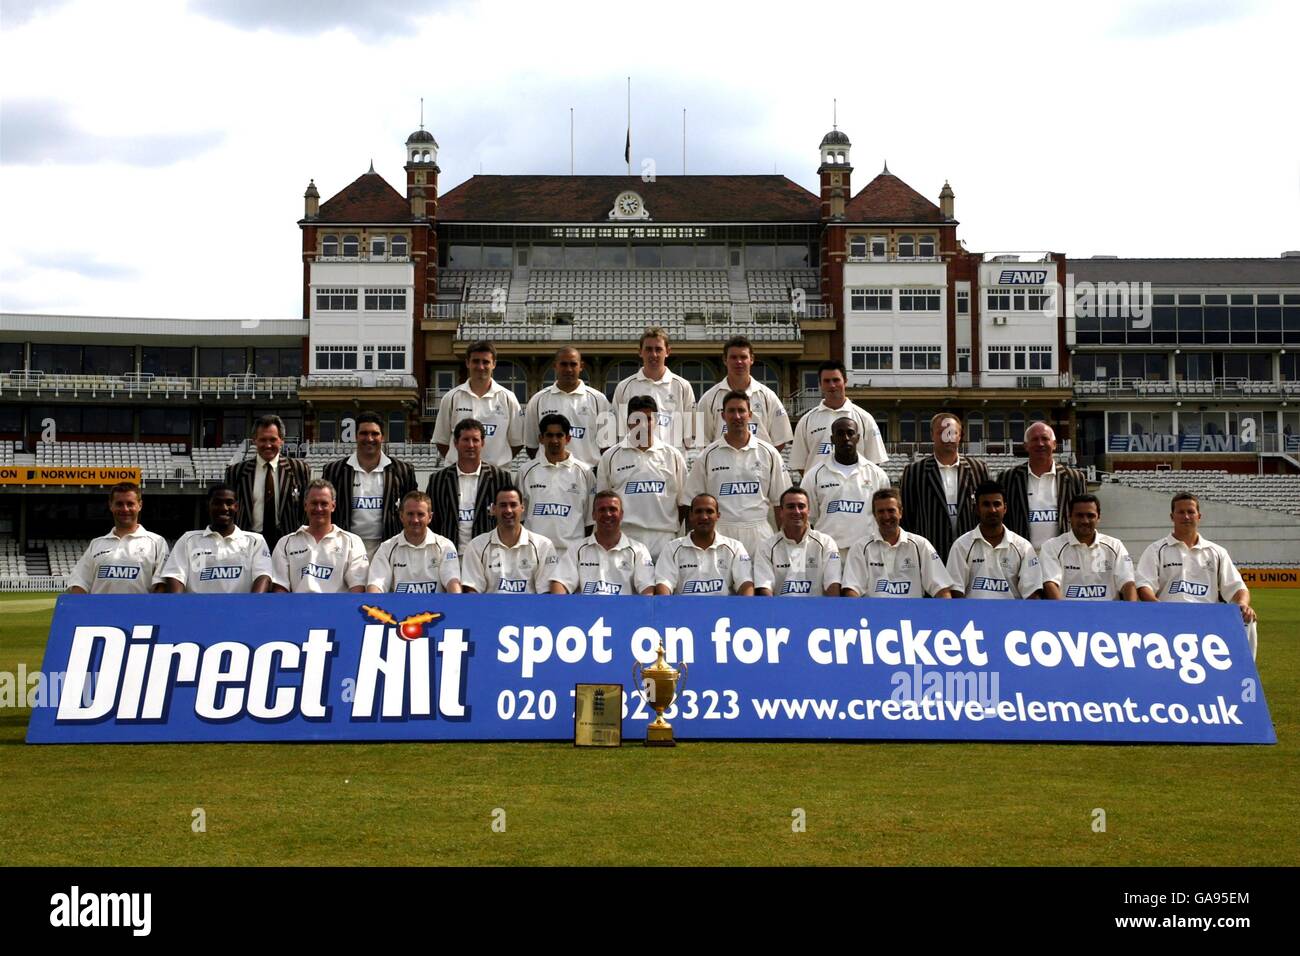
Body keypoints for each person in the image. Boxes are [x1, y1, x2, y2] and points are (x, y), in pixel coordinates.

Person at [684, 390, 788, 555]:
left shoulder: (768, 453)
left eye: (741, 411)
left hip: (759, 533)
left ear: (750, 415)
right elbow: (691, 501)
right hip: (720, 532)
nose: (737, 416)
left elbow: (780, 504)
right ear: (723, 415)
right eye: (731, 411)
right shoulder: (707, 455)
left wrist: (785, 543)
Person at [1136, 493, 1257, 632]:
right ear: (1172, 517)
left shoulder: (1217, 552)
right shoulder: (1156, 549)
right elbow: (1144, 586)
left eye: (1191, 512)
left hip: (1208, 616)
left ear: (1199, 516)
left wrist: (1242, 604)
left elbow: (1237, 587)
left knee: (1248, 621)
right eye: (1181, 512)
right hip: (1169, 616)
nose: (1186, 516)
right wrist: (1160, 608)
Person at [595, 395, 688, 560]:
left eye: (648, 419)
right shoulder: (610, 457)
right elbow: (603, 504)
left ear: (657, 420)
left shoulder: (673, 456)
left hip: (665, 537)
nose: (643, 425)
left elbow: (683, 504)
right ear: (628, 422)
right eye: (637, 420)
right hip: (625, 537)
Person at [320, 410, 418, 558]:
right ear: (356, 436)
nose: (369, 438)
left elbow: (412, 510)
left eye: (375, 434)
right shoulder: (334, 471)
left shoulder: (403, 471)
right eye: (364, 433)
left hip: (389, 548)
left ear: (382, 437)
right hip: (345, 549)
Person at [899, 412, 990, 562]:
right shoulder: (914, 472)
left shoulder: (978, 469)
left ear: (960, 436)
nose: (948, 437)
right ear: (932, 435)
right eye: (942, 432)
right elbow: (907, 519)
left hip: (972, 556)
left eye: (952, 432)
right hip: (930, 556)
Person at [802, 416, 891, 557]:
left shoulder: (877, 474)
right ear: (832, 439)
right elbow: (808, 519)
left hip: (867, 553)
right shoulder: (814, 475)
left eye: (850, 433)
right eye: (840, 433)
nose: (846, 438)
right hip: (828, 553)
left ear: (858, 438)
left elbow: (885, 516)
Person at [841, 489, 954, 599]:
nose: (886, 517)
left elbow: (941, 588)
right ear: (874, 515)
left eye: (891, 511)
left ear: (900, 512)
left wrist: (946, 611)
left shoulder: (921, 545)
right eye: (881, 511)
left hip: (912, 610)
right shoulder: (860, 547)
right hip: (873, 611)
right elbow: (851, 589)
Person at [162, 483, 272, 593]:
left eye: (229, 503)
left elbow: (263, 577)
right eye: (217, 503)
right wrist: (179, 604)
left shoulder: (255, 541)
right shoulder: (188, 540)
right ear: (208, 506)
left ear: (236, 507)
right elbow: (175, 577)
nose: (224, 508)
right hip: (197, 604)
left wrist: (252, 603)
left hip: (241, 604)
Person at [426, 418, 515, 552]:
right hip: (448, 555)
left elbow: (508, 520)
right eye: (466, 440)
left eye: (475, 440)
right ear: (456, 443)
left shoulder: (500, 478)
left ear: (482, 443)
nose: (471, 445)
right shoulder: (438, 480)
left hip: (488, 554)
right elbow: (432, 521)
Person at [998, 421, 1088, 552]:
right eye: (1034, 439)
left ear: (1054, 444)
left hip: (1063, 556)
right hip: (1021, 555)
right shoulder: (1008, 478)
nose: (1040, 444)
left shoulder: (1074, 478)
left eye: (1045, 439)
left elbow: (1084, 518)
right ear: (1026, 446)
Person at [431, 340, 524, 468]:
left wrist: (497, 464)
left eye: (485, 362)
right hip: (459, 475)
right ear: (467, 363)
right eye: (475, 361)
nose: (480, 367)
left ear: (494, 364)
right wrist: (463, 465)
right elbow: (442, 441)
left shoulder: (508, 398)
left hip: (495, 475)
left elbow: (517, 443)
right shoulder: (451, 397)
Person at [225, 413, 311, 550]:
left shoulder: (299, 469)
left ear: (282, 440)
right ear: (254, 440)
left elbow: (306, 510)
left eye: (273, 439)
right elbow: (228, 511)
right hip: (247, 544)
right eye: (262, 440)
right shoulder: (236, 472)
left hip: (288, 544)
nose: (268, 445)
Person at [67, 482, 170, 595]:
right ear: (111, 505)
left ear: (140, 505)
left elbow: (162, 586)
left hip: (140, 607)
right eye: (119, 504)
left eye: (130, 504)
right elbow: (80, 584)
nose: (125, 509)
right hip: (100, 607)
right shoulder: (96, 544)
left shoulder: (157, 542)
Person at [945, 480, 1042, 600]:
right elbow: (955, 592)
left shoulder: (1023, 547)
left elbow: (1032, 594)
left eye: (997, 504)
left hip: (1012, 612)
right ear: (977, 509)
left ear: (1005, 508)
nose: (992, 510)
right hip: (972, 612)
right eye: (986, 504)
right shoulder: (961, 545)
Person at [548, 491, 656, 596]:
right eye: (602, 510)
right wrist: (562, 606)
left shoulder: (638, 550)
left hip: (624, 608)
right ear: (593, 515)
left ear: (621, 514)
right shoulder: (577, 549)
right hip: (587, 608)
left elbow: (647, 589)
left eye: (613, 509)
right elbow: (559, 583)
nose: (607, 514)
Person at [270, 479, 368, 593]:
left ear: (333, 506)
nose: (319, 508)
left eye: (324, 504)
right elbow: (280, 588)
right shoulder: (285, 543)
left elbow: (357, 588)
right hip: (298, 604)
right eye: (314, 503)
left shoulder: (352, 542)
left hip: (337, 605)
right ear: (305, 506)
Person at [517, 413, 595, 556]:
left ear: (568, 438)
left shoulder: (584, 472)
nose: (554, 440)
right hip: (534, 552)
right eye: (549, 435)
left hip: (571, 553)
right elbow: (519, 518)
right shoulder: (526, 471)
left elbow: (589, 521)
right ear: (541, 439)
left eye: (559, 435)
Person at [696, 336, 793, 449]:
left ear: (751, 359)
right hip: (721, 460)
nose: (739, 362)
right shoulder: (708, 399)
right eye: (733, 357)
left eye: (743, 357)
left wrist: (763, 458)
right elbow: (702, 442)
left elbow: (780, 440)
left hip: (759, 460)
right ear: (725, 360)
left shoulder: (768, 397)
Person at [789, 360, 887, 472]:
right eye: (826, 381)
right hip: (818, 483)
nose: (832, 385)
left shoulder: (865, 418)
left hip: (855, 483)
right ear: (820, 384)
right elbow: (800, 464)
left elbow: (875, 461)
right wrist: (816, 480)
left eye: (836, 380)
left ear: (845, 381)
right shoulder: (806, 421)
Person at [523, 347, 613, 467]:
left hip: (588, 472)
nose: (568, 369)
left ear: (581, 366)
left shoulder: (599, 400)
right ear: (555, 366)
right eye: (563, 364)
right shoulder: (538, 400)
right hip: (549, 473)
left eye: (573, 364)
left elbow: (607, 446)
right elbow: (532, 446)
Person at [460, 487, 559, 594]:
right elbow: (472, 592)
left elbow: (546, 594)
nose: (508, 510)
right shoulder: (476, 546)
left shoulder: (543, 545)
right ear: (494, 509)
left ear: (522, 508)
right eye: (503, 505)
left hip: (530, 605)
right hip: (489, 605)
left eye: (513, 505)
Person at [1039, 494, 1136, 601]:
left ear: (1098, 517)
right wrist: (1064, 611)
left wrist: (1131, 610)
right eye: (1079, 515)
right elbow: (1050, 584)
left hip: (1108, 610)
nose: (1085, 521)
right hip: (1068, 610)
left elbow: (1128, 583)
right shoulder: (1051, 546)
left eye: (1090, 516)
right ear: (1069, 517)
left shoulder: (1115, 545)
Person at [611, 327, 697, 447]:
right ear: (640, 352)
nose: (654, 354)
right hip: (633, 457)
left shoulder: (683, 386)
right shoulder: (624, 387)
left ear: (668, 351)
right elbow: (616, 432)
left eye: (658, 349)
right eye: (648, 349)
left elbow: (692, 435)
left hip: (670, 457)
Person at [654, 494, 754, 596]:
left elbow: (745, 583)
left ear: (718, 516)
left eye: (709, 511)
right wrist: (666, 605)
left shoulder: (735, 547)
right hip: (683, 606)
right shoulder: (672, 548)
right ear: (690, 515)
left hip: (723, 606)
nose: (704, 517)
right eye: (698, 511)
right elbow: (664, 584)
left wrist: (746, 606)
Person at [366, 491, 462, 594]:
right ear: (401, 516)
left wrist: (456, 602)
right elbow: (376, 585)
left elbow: (452, 581)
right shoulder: (386, 548)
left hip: (436, 604)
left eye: (420, 514)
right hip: (398, 605)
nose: (415, 520)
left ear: (430, 517)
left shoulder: (445, 546)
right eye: (410, 514)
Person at [753, 487, 840, 596]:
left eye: (801, 506)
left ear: (808, 511)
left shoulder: (826, 543)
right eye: (791, 507)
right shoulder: (766, 547)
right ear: (781, 512)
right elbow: (765, 588)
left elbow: (832, 583)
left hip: (816, 606)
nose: (797, 511)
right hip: (779, 606)